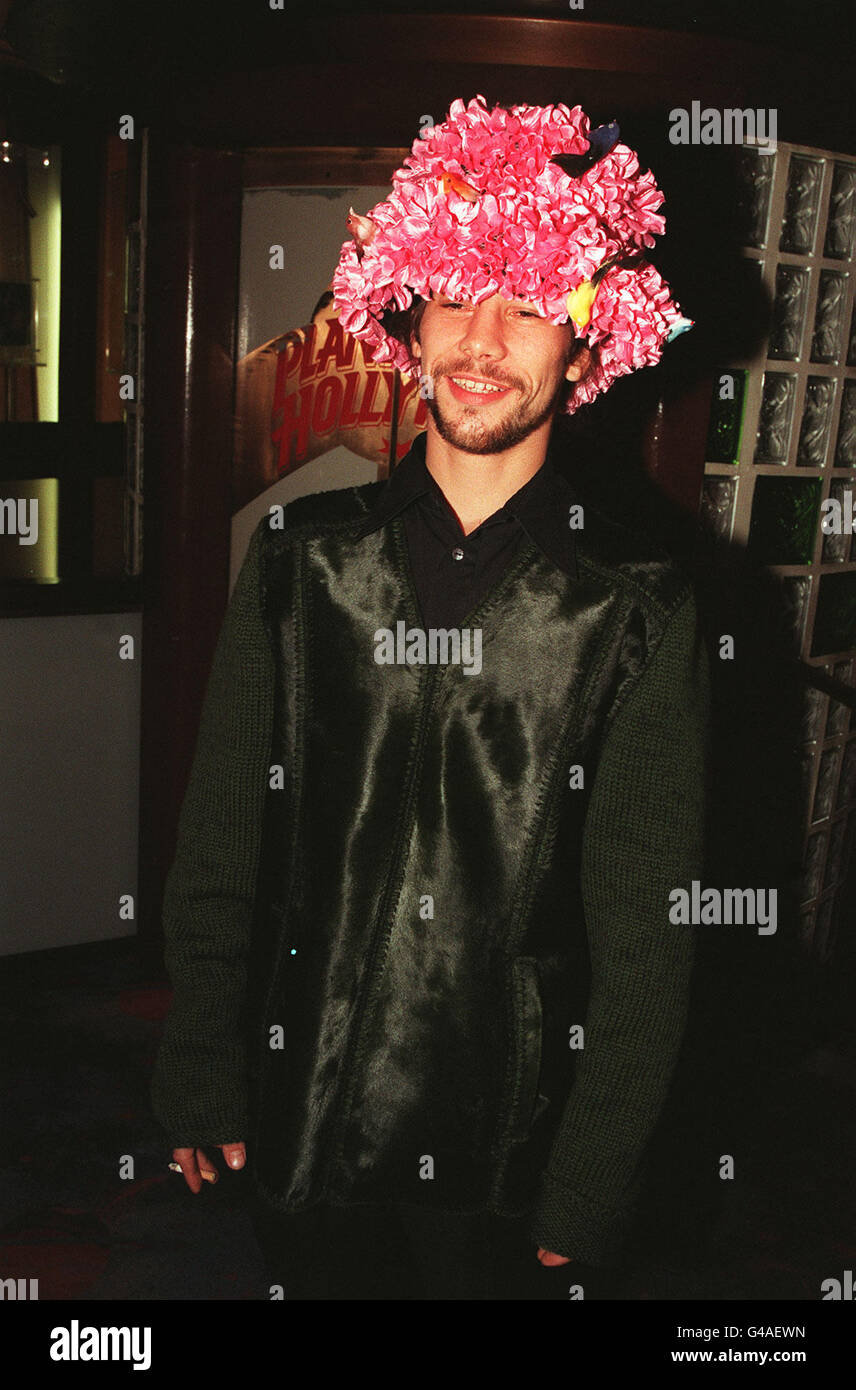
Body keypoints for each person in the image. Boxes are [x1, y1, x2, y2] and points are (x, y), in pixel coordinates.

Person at [151, 95, 710, 1300]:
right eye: (456, 296)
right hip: (302, 1109)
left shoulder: (637, 605)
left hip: (507, 1139)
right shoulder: (301, 558)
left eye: (524, 308)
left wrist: (596, 1172)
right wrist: (201, 1067)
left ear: (585, 340)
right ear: (411, 316)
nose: (480, 342)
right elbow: (218, 839)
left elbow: (646, 935)